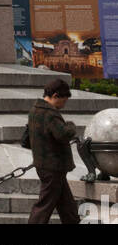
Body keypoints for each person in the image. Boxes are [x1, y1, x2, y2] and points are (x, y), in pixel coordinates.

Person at [26, 76, 82, 225]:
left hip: (46, 165)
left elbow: (25, 139)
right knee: (44, 206)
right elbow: (63, 134)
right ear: (55, 95)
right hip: (53, 167)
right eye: (63, 100)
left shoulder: (34, 110)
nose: (64, 104)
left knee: (67, 206)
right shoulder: (50, 113)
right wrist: (71, 125)